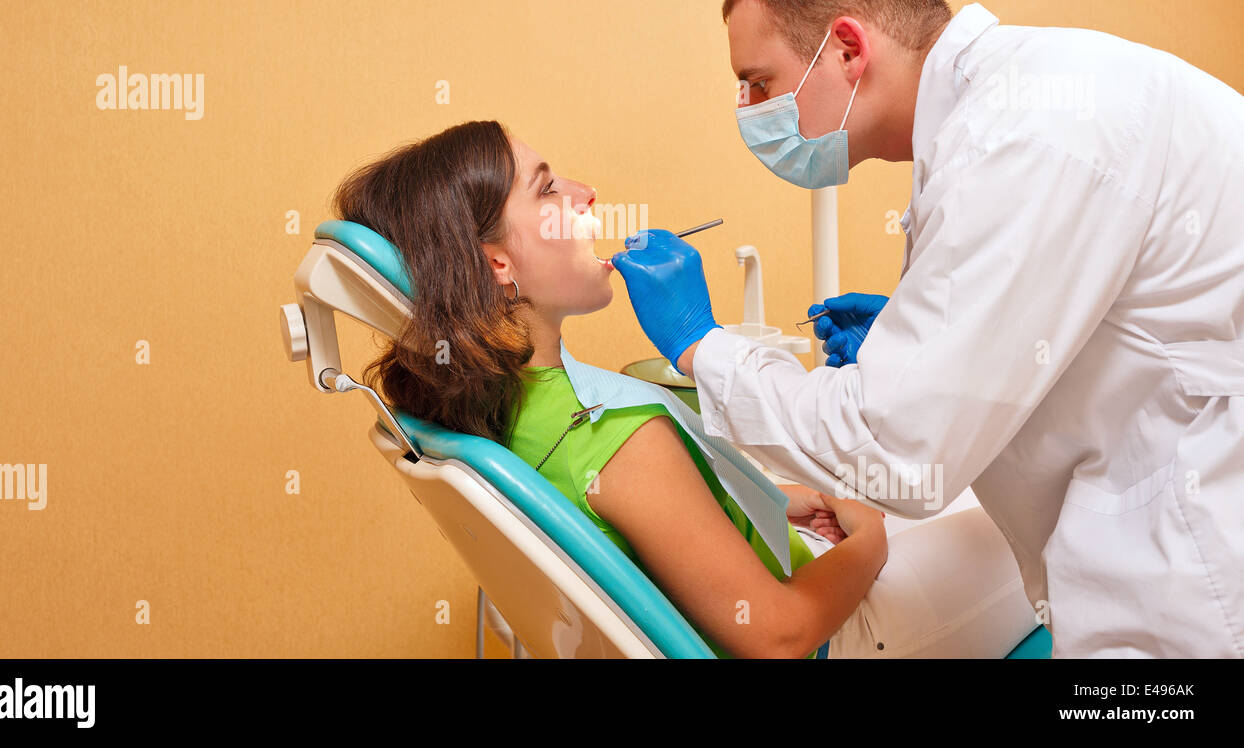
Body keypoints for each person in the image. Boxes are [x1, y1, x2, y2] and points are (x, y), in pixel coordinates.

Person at [610, 0, 1244, 658]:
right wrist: (918, 345)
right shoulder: (1004, 115)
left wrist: (700, 345)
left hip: (1197, 580)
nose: (748, 112)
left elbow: (899, 453)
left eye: (758, 83)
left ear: (847, 48)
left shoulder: (1024, 139)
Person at [330, 120, 1038, 658]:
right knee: (1043, 509)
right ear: (496, 264)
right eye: (548, 189)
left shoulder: (515, 411)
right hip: (846, 636)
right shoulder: (614, 435)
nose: (586, 196)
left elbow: (631, 516)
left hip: (810, 573)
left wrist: (785, 499)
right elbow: (778, 636)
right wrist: (871, 541)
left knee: (972, 486)